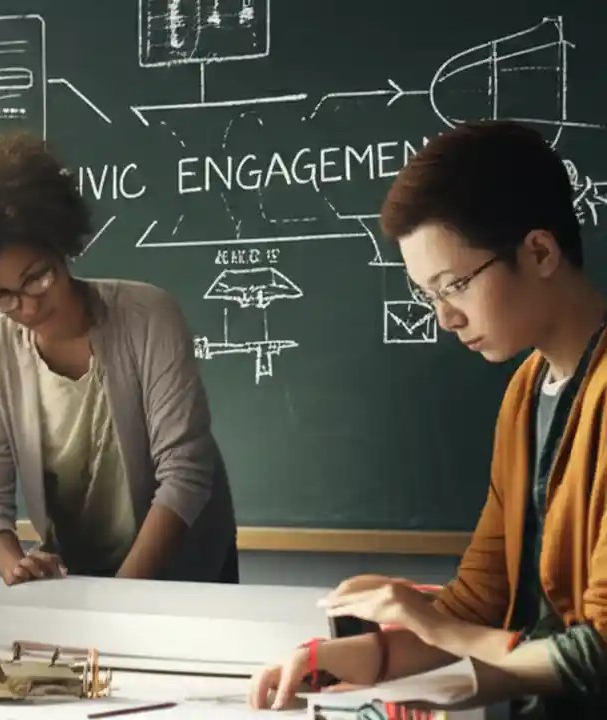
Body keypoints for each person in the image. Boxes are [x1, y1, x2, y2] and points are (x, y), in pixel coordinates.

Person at [248, 120, 607, 717]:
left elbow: (596, 655)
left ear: (540, 251)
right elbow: (480, 602)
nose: (445, 318)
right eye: (427, 295)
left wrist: (434, 628)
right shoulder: (526, 392)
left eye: (454, 286)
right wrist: (366, 656)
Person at [0, 132, 238, 586]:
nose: (26, 308)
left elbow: (185, 473)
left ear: (60, 248)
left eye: (37, 278)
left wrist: (121, 597)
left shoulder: (148, 317)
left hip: (184, 579)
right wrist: (14, 565)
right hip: (77, 583)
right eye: (1, 296)